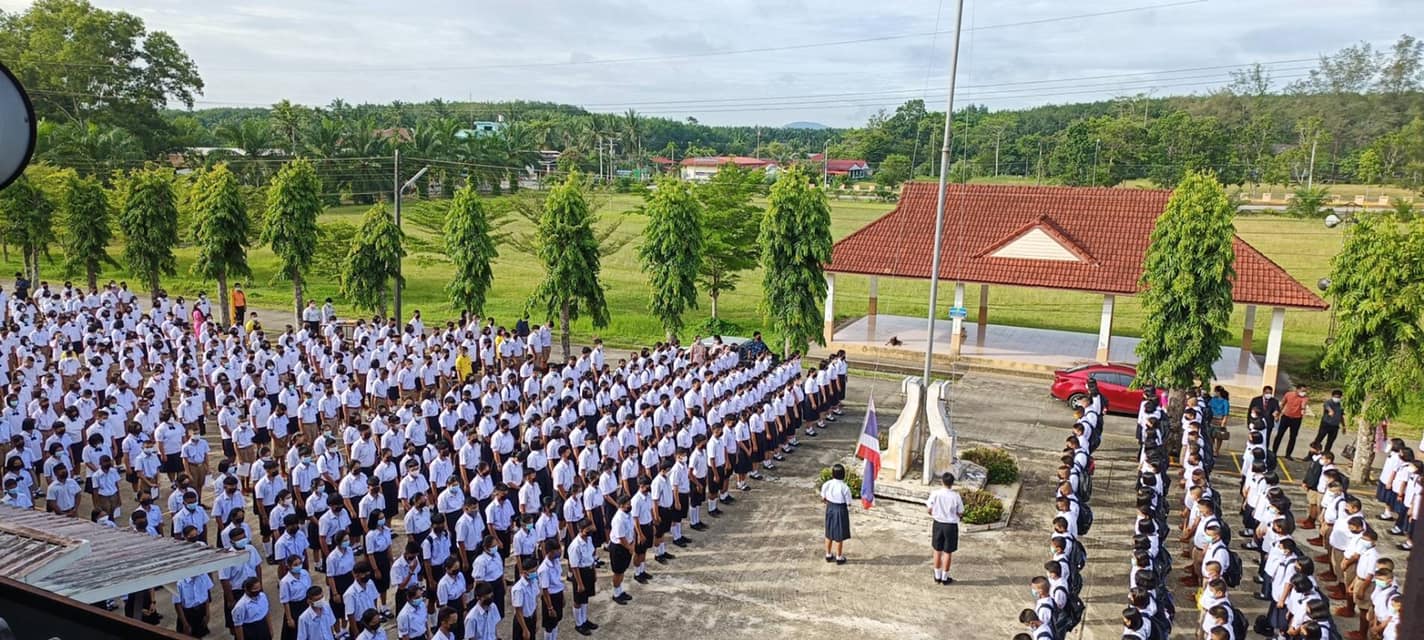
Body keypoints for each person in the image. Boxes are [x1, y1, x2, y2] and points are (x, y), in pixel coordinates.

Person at [927, 471, 963, 584]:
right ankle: (944, 577)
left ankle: (937, 576)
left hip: (938, 523)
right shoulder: (955, 496)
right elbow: (960, 512)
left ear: (942, 481)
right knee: (947, 552)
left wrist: (934, 513)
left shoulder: (935, 493)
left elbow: (929, 509)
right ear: (952, 483)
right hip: (951, 525)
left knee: (937, 550)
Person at [820, 463, 852, 564]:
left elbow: (823, 497)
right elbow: (849, 503)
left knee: (829, 533)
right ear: (843, 474)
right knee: (839, 534)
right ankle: (839, 557)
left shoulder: (827, 484)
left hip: (830, 508)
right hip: (840, 509)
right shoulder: (845, 487)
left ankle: (828, 554)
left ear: (832, 474)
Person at [1273, 384, 1309, 460]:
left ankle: (1288, 454)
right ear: (1297, 389)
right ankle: (1274, 452)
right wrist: (1277, 415)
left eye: (1305, 391)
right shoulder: (1289, 394)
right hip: (1286, 417)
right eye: (1302, 391)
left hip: (1296, 419)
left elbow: (1303, 404)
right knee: (1279, 435)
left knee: (1293, 437)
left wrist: (1303, 410)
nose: (1304, 392)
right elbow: (1282, 404)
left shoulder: (1305, 398)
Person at [1311, 389, 1344, 453]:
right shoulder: (1328, 402)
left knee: (1330, 442)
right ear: (1332, 396)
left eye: (1339, 397)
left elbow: (1341, 416)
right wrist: (1330, 411)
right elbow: (1327, 406)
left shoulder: (1340, 405)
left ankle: (1325, 455)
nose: (1337, 398)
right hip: (1326, 424)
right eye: (1336, 397)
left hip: (1335, 426)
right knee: (1318, 440)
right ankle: (1311, 455)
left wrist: (1343, 426)